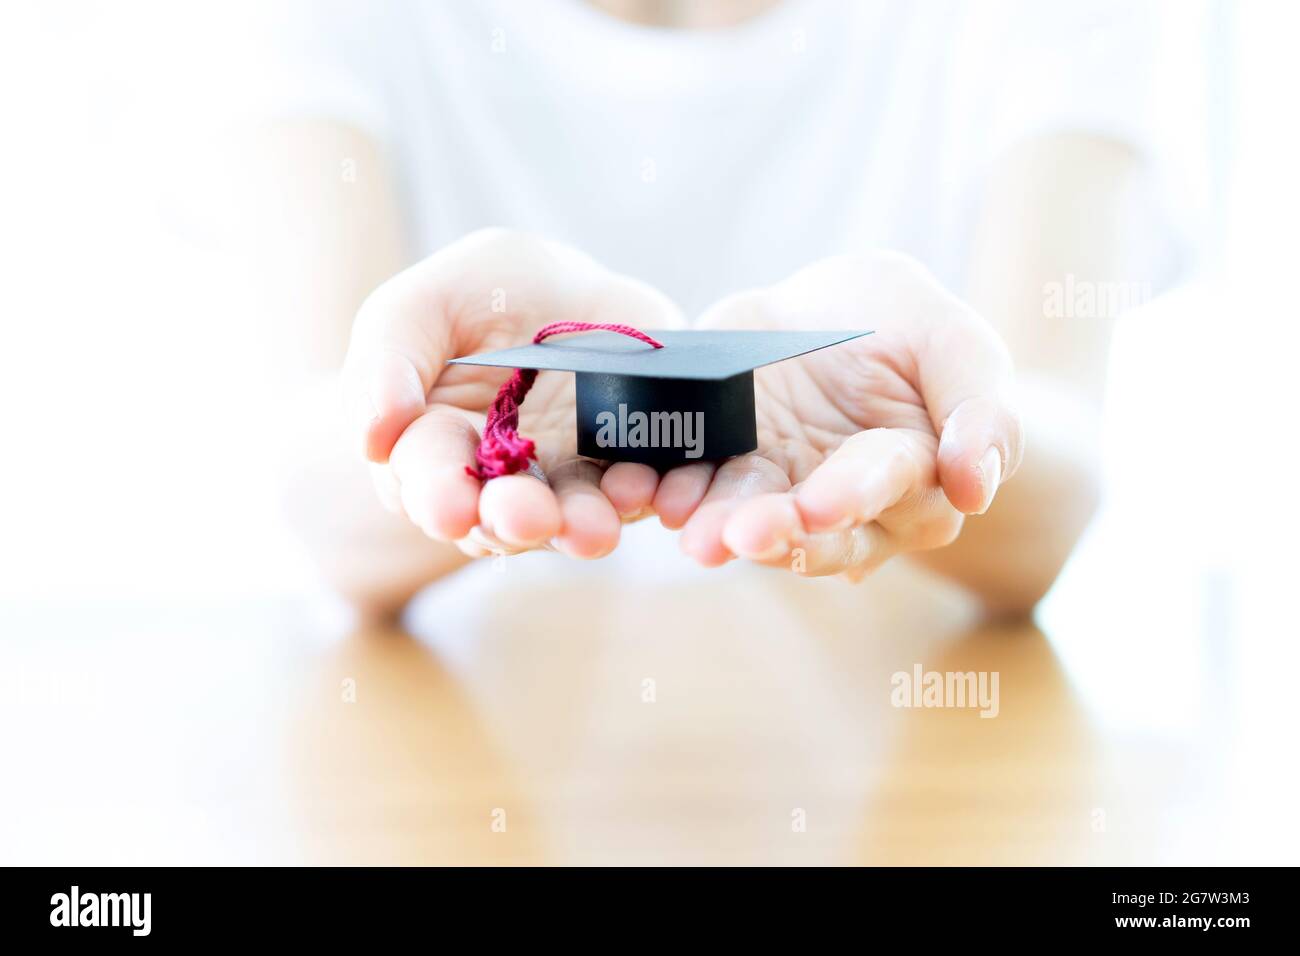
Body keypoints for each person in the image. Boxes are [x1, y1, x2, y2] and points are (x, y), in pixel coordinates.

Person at [226, 0, 1184, 622]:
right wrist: (426, 420)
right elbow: (314, 470)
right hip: (462, 744)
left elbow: (1060, 455)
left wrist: (944, 426)